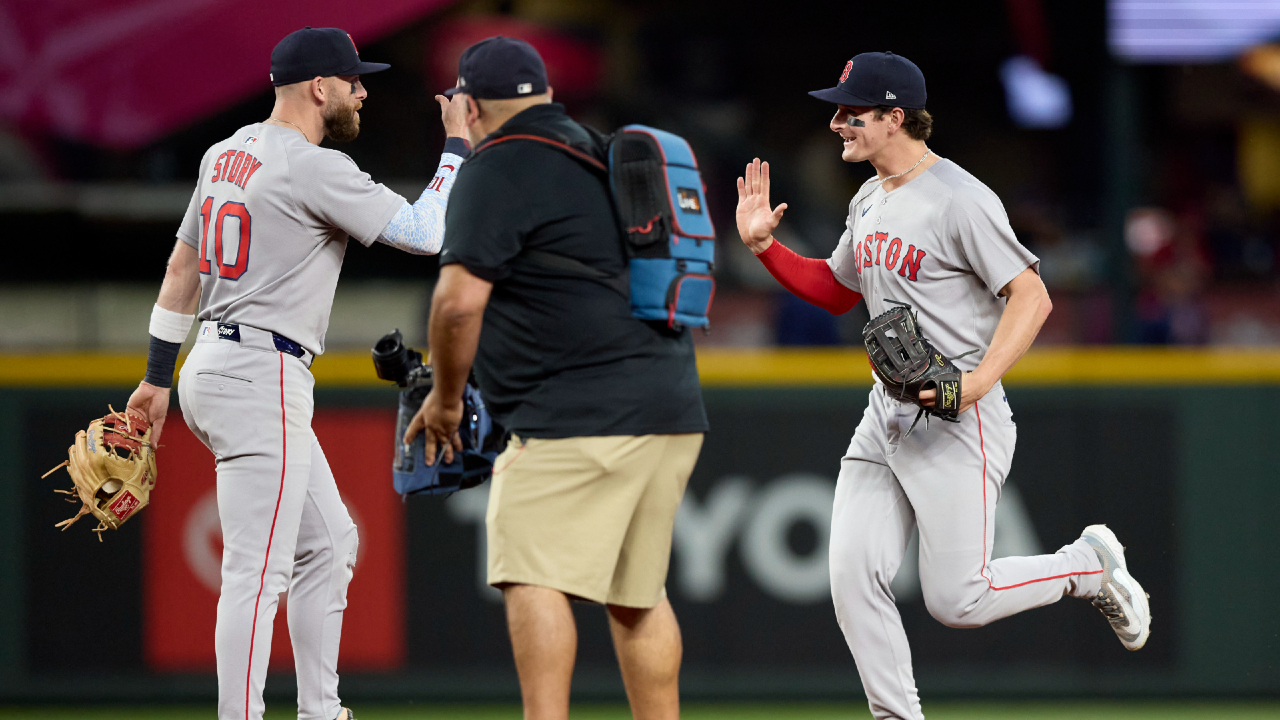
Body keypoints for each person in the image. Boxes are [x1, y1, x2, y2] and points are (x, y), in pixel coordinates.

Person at [734, 51, 1151, 720]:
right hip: (887, 414)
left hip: (961, 420)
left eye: (852, 111)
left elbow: (1032, 296)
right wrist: (765, 248)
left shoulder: (960, 199)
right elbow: (839, 292)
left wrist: (978, 382)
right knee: (851, 575)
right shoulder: (870, 196)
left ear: (895, 116)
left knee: (959, 600)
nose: (837, 122)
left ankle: (1089, 566)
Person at [123, 26, 471, 720]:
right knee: (256, 573)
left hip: (213, 366)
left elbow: (181, 271)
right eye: (352, 80)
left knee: (331, 542)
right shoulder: (311, 165)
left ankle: (321, 710)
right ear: (320, 87)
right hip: (261, 371)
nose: (362, 91)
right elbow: (427, 233)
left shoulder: (226, 154)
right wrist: (458, 145)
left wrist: (158, 378)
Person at [403, 36, 708, 720]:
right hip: (670, 403)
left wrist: (447, 401)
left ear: (469, 105)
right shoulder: (601, 151)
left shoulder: (499, 165)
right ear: (543, 94)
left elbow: (456, 303)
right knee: (637, 596)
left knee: (529, 573)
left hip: (576, 412)